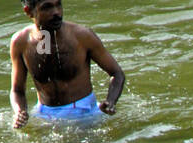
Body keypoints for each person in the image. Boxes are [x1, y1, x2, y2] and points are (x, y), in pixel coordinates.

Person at [10, 0, 124, 128]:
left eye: (58, 4)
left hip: (86, 113)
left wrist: (110, 102)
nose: (56, 12)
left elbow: (117, 73)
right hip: (44, 115)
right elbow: (17, 90)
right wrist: (19, 111)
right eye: (47, 7)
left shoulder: (82, 36)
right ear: (29, 11)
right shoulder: (20, 42)